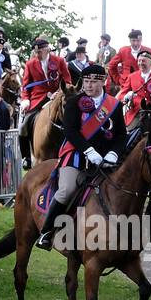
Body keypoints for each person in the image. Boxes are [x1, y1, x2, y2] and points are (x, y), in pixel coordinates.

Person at [37, 63, 127, 250]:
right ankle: (47, 232)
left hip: (105, 157)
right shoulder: (73, 103)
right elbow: (71, 132)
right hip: (76, 153)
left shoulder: (114, 106)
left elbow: (120, 135)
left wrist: (113, 153)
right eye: (86, 81)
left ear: (103, 82)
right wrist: (88, 151)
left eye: (93, 81)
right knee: (67, 189)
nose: (88, 85)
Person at [19, 37, 73, 169]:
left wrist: (59, 93)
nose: (37, 55)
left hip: (57, 98)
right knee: (23, 126)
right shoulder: (30, 64)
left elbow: (67, 82)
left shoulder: (59, 61)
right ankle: (26, 158)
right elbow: (26, 86)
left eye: (40, 52)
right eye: (36, 52)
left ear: (47, 49)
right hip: (38, 100)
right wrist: (25, 100)